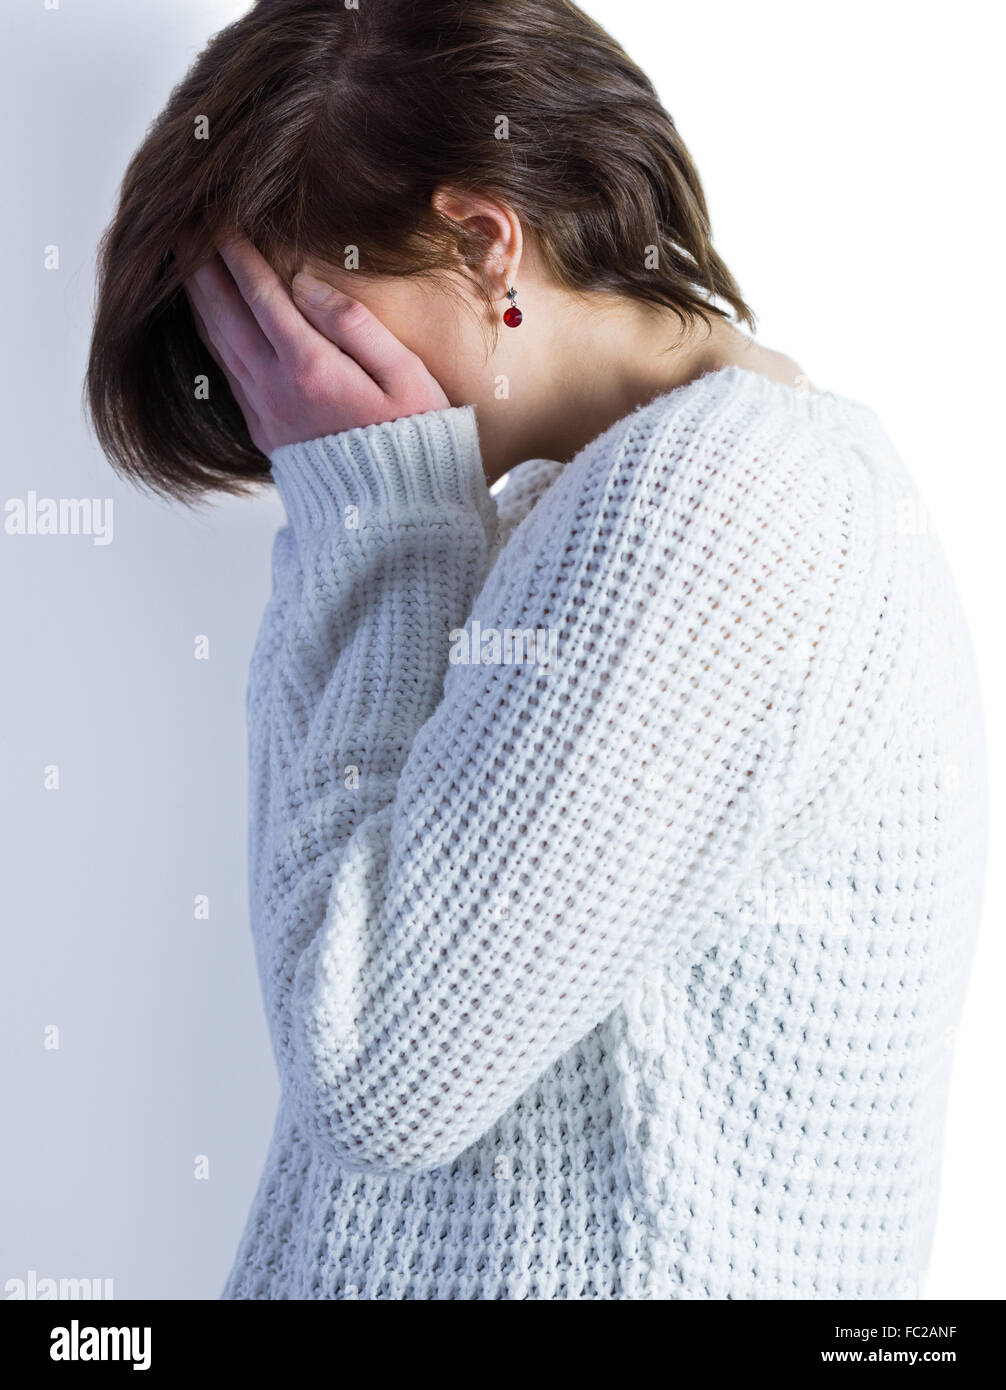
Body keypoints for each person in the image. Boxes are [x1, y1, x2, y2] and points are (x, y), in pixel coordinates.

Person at [86, 0, 987, 1300]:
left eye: (302, 326)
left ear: (480, 242)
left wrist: (376, 514)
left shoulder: (721, 502)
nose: (296, 395)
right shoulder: (566, 512)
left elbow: (374, 1067)